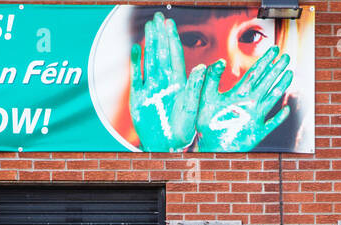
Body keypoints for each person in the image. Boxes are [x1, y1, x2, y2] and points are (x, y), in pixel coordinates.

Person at [121, 8, 303, 153]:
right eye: (193, 40)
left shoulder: (298, 125)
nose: (229, 70)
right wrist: (160, 149)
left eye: (250, 36)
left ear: (282, 39)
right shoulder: (137, 129)